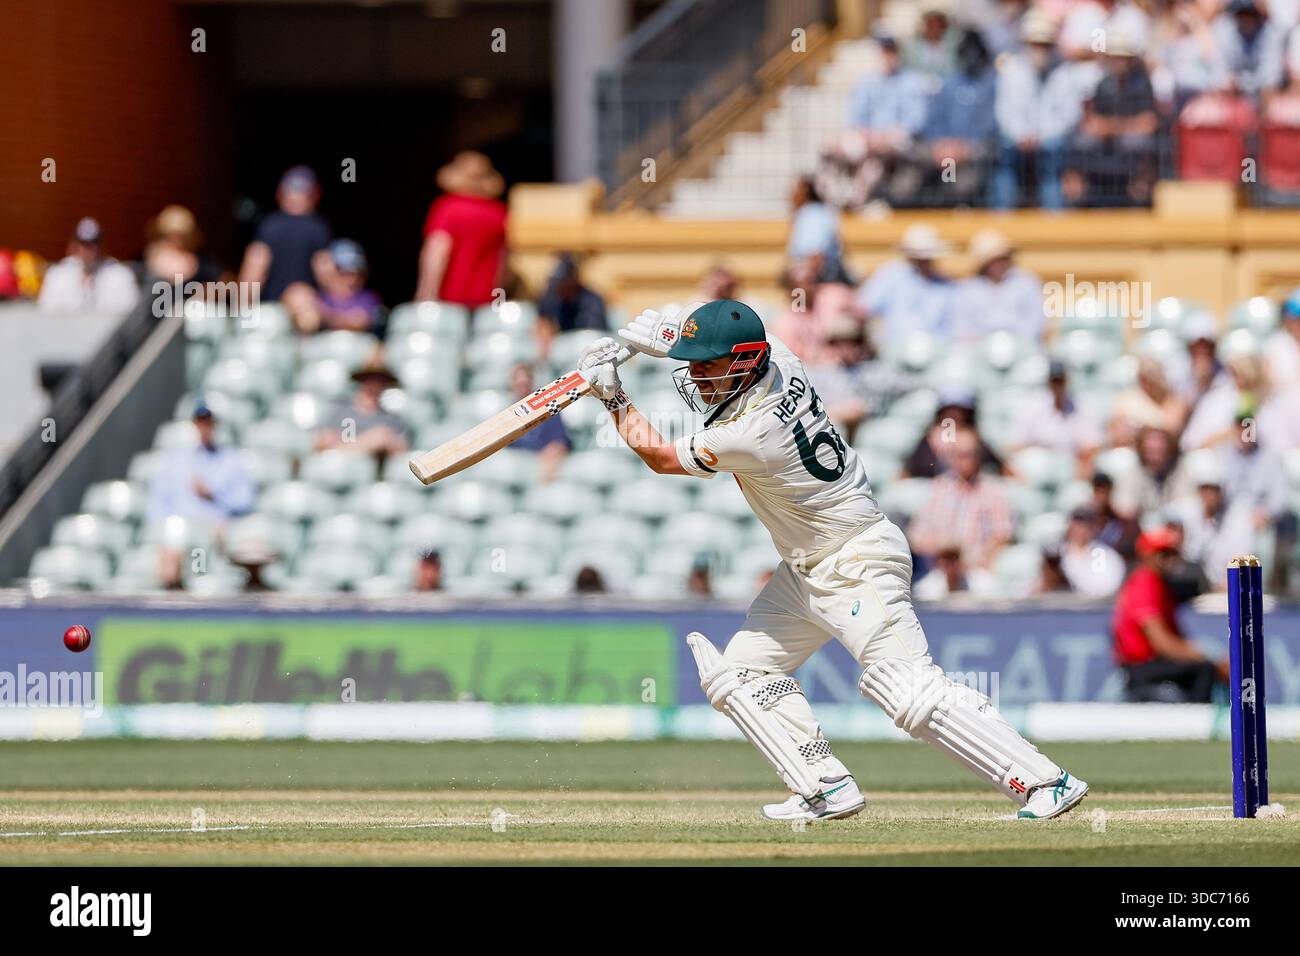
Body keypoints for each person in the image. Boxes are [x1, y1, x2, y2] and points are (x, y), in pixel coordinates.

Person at [574, 299, 1088, 821]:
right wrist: (675, 341)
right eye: (695, 365)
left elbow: (660, 457)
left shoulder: (752, 435)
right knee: (743, 675)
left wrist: (612, 394)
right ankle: (825, 786)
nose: (698, 378)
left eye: (708, 365)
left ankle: (1046, 782)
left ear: (746, 363)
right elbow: (735, 351)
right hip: (805, 570)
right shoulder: (785, 361)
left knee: (907, 689)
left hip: (855, 560)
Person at [992, 7, 1099, 209]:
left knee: (1053, 161)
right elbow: (1004, 112)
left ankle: (1054, 219)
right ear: (1026, 44)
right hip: (1017, 139)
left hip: (1049, 140)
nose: (1040, 49)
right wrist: (1021, 135)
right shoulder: (1012, 70)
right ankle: (1001, 216)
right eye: (1035, 44)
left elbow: (1069, 115)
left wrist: (1041, 136)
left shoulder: (1064, 72)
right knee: (1004, 161)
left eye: (1044, 44)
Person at [1111, 527, 1227, 702]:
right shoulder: (1146, 583)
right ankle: (1198, 723)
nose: (1171, 559)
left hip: (1150, 665)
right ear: (1147, 555)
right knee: (1204, 670)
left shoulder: (1160, 585)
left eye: (1173, 553)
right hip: (1141, 669)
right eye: (1163, 554)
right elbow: (1162, 643)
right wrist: (1210, 659)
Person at [147, 401, 255, 588]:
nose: (204, 427)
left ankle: (196, 596)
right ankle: (169, 595)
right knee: (172, 544)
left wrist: (213, 495)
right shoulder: (176, 460)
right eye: (200, 422)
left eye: (208, 422)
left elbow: (245, 501)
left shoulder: (229, 460)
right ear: (194, 425)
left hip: (212, 528)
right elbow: (158, 503)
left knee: (199, 550)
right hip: (180, 528)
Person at [820, 31, 931, 209]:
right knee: (831, 152)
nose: (888, 57)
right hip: (869, 139)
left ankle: (855, 202)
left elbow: (915, 123)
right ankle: (832, 202)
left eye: (891, 51)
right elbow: (855, 119)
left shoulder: (912, 82)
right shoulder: (867, 82)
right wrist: (868, 137)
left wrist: (883, 138)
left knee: (875, 160)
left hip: (899, 141)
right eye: (884, 51)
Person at [1063, 34, 1159, 207]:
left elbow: (1148, 123)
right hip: (1108, 141)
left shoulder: (1143, 84)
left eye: (1123, 58)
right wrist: (1119, 126)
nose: (1119, 63)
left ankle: (1139, 188)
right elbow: (1093, 123)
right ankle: (1080, 193)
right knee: (1079, 141)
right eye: (1115, 58)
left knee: (1137, 142)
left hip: (1128, 141)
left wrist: (1114, 127)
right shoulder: (1104, 84)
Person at [907, 428, 1017, 573]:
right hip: (939, 568)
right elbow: (918, 534)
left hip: (976, 569)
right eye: (960, 455)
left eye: (970, 455)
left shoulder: (993, 491)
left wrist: (976, 559)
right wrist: (942, 548)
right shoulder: (940, 489)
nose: (966, 460)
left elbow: (1002, 535)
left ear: (979, 457)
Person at [415, 151, 507, 307]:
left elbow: (437, 251)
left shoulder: (448, 207)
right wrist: (499, 294)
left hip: (449, 299)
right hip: (486, 300)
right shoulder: (499, 212)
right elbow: (505, 261)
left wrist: (426, 294)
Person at [917, 30, 999, 206]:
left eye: (975, 52)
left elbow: (990, 124)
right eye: (966, 51)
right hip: (946, 151)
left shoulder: (989, 82)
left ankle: (958, 210)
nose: (971, 57)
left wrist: (965, 147)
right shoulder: (950, 82)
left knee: (962, 186)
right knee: (936, 171)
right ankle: (942, 209)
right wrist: (942, 143)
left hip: (974, 152)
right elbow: (934, 118)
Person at [238, 166, 332, 302]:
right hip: (304, 307)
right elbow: (324, 270)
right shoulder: (318, 227)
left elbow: (255, 267)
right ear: (316, 195)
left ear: (280, 194)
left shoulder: (269, 225)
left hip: (273, 311)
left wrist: (242, 307)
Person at [856, 224, 954, 344]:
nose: (923, 261)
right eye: (919, 256)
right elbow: (863, 307)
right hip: (896, 347)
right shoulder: (891, 275)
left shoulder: (946, 285)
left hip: (936, 349)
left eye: (926, 257)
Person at [1009, 359, 1103, 476]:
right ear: (1048, 382)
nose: (1057, 386)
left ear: (1067, 381)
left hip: (1070, 468)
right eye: (1054, 381)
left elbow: (1092, 446)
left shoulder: (1082, 408)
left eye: (1060, 381)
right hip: (1039, 471)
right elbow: (1015, 446)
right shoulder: (1033, 408)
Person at [952, 229, 1048, 341]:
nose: (1000, 263)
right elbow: (961, 325)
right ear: (984, 264)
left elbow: (1035, 320)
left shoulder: (1027, 283)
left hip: (1021, 348)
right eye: (995, 260)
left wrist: (1017, 343)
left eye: (1004, 258)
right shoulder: (968, 288)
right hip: (979, 350)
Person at [38, 217, 139, 315]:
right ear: (73, 245)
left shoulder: (120, 276)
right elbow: (46, 312)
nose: (89, 250)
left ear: (102, 246)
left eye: (93, 244)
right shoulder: (58, 275)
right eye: (83, 244)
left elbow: (130, 313)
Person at [315, 355, 409, 460]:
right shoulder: (339, 410)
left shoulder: (391, 419)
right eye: (369, 379)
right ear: (361, 381)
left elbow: (400, 451)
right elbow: (321, 442)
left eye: (379, 380)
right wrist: (372, 441)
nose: (374, 385)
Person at [287, 239, 384, 336]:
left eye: (357, 273)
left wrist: (323, 313)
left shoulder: (368, 298)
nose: (352, 279)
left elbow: (358, 322)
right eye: (344, 273)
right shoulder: (317, 297)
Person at [903, 388, 1003, 478]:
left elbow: (999, 466)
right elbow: (911, 469)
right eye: (950, 409)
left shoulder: (976, 438)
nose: (955, 414)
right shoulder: (928, 438)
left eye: (960, 410)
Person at [505, 363, 571, 482]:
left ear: (531, 382)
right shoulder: (506, 416)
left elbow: (559, 444)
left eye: (525, 383)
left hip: (541, 464)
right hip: (516, 466)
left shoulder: (549, 409)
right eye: (519, 384)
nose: (522, 388)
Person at [536, 253, 607, 357]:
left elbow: (593, 337)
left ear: (573, 279)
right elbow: (543, 324)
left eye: (564, 281)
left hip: (588, 356)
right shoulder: (552, 298)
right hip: (561, 357)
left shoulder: (592, 300)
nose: (560, 286)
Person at [1060, 507, 1127, 596]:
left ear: (1094, 527)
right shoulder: (1057, 553)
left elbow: (1107, 587)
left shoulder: (1104, 555)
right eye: (1077, 524)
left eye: (1085, 525)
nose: (1080, 529)